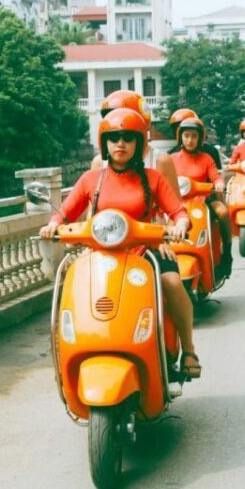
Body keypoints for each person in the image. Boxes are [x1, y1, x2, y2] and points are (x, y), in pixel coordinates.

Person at [41, 108, 201, 379]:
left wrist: (180, 226)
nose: (121, 144)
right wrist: (53, 225)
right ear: (105, 143)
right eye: (114, 138)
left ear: (139, 143)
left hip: (145, 252)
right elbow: (65, 211)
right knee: (71, 288)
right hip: (100, 255)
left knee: (172, 282)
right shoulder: (92, 179)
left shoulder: (153, 178)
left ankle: (188, 349)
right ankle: (65, 352)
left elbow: (178, 212)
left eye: (128, 138)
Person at [170, 116, 233, 278]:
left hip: (204, 199)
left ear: (200, 138)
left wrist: (218, 183)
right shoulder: (172, 159)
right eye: (186, 136)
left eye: (194, 136)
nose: (190, 140)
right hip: (177, 202)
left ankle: (227, 250)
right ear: (180, 137)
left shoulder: (206, 158)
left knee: (222, 212)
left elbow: (215, 175)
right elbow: (163, 180)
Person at [90, 90, 181, 200]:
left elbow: (176, 207)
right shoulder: (99, 163)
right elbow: (92, 209)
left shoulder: (160, 161)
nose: (117, 124)